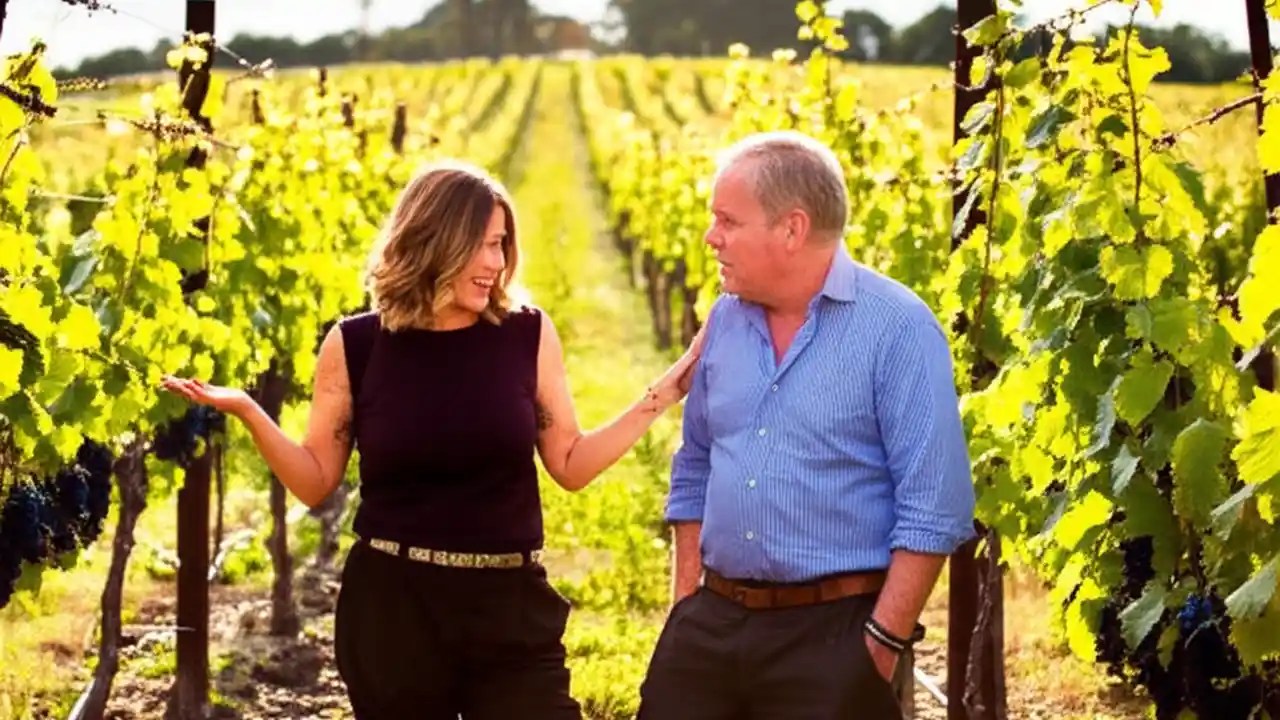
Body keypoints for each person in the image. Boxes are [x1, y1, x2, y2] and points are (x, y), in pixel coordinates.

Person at [160, 159, 702, 720]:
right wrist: (249, 410)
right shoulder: (357, 345)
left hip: (508, 605)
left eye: (502, 245)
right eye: (484, 245)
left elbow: (569, 462)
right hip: (395, 611)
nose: (497, 262)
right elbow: (316, 482)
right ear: (436, 240)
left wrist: (668, 389)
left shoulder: (526, 334)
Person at [636, 130, 976, 719]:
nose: (711, 237)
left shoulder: (897, 329)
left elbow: (935, 507)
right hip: (709, 626)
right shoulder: (723, 320)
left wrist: (879, 648)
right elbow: (694, 466)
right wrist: (686, 602)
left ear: (791, 229)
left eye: (727, 221)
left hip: (833, 636)